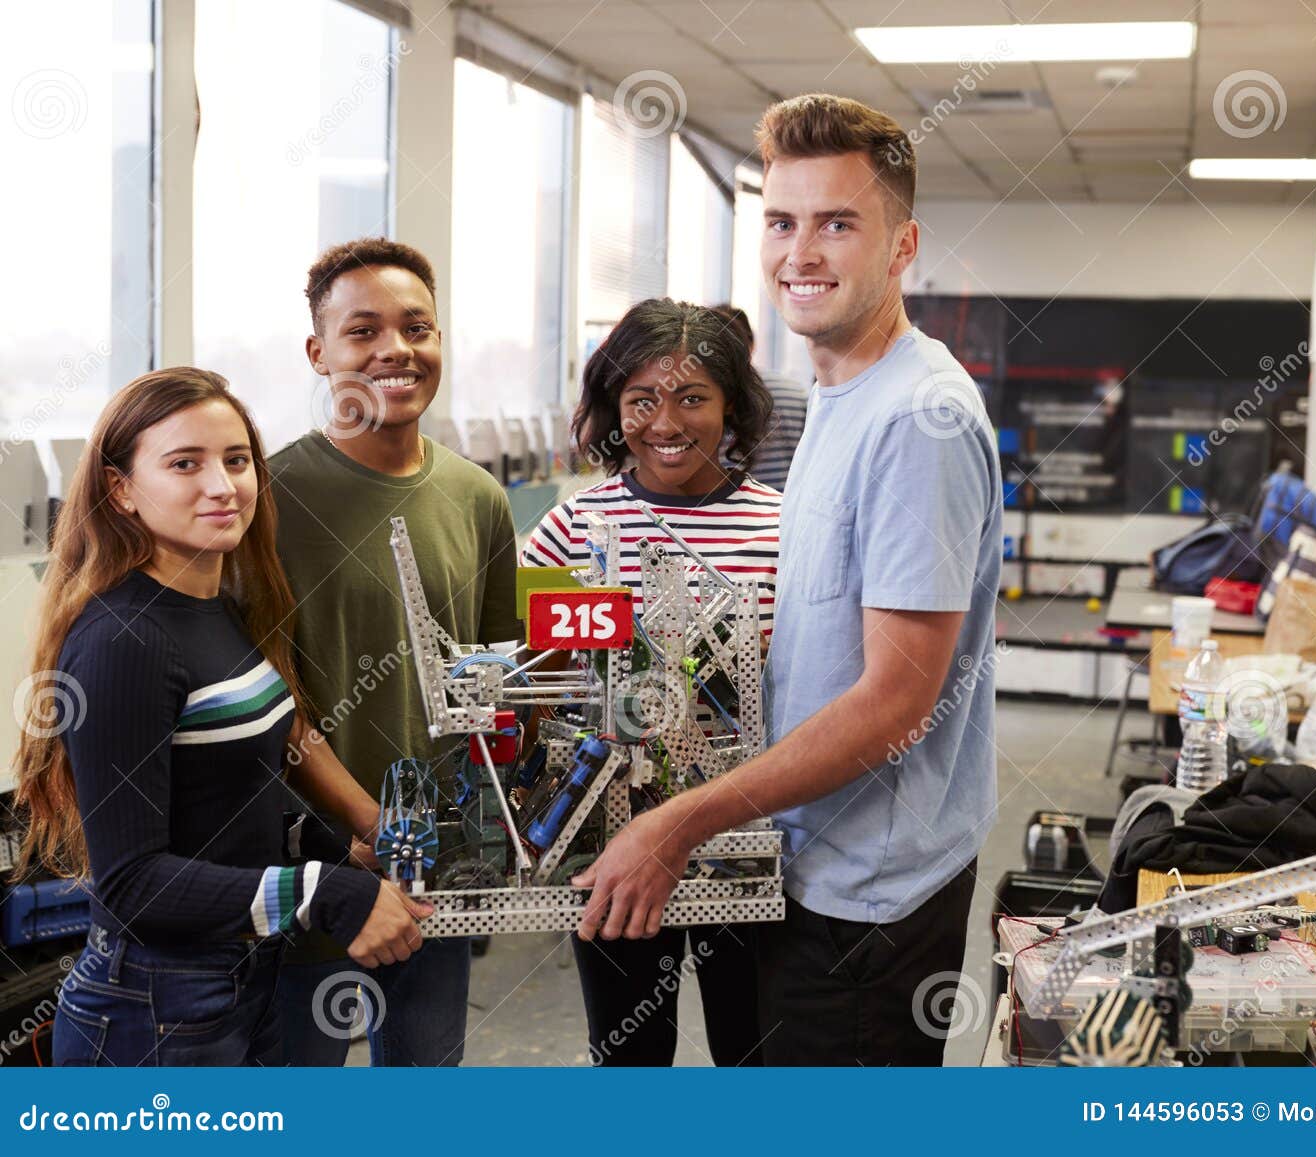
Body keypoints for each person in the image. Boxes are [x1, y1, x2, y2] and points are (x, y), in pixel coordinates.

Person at [569, 94, 1003, 1066]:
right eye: (780, 222)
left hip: (867, 904)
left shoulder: (916, 421)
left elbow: (895, 701)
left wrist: (679, 822)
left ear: (901, 246)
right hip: (809, 864)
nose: (800, 252)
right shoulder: (839, 397)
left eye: (837, 223)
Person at [11, 368, 429, 1067]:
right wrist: (325, 891)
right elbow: (132, 883)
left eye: (236, 460)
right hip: (153, 1008)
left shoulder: (217, 605)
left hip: (242, 982)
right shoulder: (126, 638)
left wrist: (335, 847)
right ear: (121, 488)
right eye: (185, 464)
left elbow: (222, 799)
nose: (223, 485)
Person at [270, 238, 523, 1066]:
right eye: (363, 331)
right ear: (319, 352)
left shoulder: (478, 499)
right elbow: (262, 704)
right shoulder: (265, 499)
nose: (395, 350)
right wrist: (367, 824)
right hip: (309, 873)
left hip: (436, 874)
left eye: (417, 328)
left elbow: (495, 687)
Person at [522, 298, 778, 1066]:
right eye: (641, 399)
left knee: (756, 1054)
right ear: (614, 406)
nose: (665, 422)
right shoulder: (571, 531)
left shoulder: (784, 528)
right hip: (616, 845)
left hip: (747, 834)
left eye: (693, 397)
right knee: (629, 1058)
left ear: (731, 404)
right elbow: (531, 678)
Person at [709, 304, 810, 491]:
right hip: (790, 502)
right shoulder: (796, 393)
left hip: (731, 505)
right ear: (752, 344)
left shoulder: (705, 399)